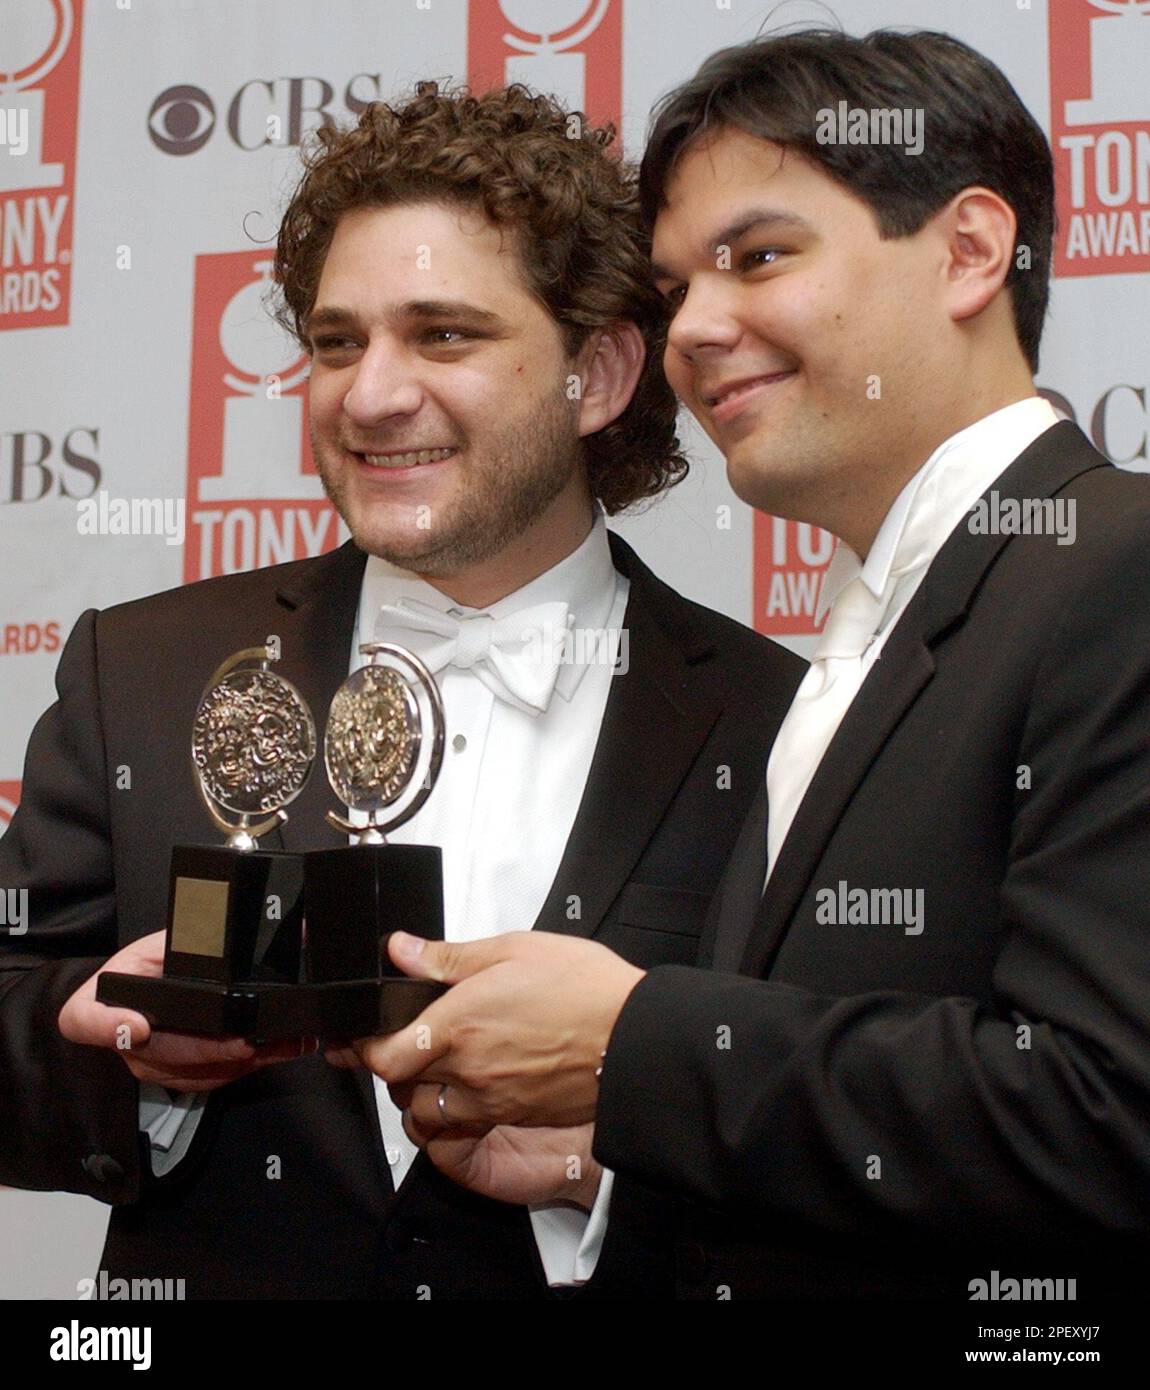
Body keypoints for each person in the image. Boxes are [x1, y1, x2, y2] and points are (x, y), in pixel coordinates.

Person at [352, 31, 1150, 1299]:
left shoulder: (1115, 569)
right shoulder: (876, 627)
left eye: (761, 256)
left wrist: (630, 1042)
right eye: (677, 288)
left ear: (968, 250)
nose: (694, 330)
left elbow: (1106, 1113)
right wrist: (607, 1168)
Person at [0, 82, 803, 1299]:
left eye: (442, 335)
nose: (367, 395)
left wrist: (603, 1175)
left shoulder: (777, 718)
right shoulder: (146, 670)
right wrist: (131, 1061)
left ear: (595, 374)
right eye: (337, 342)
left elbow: (838, 1129)